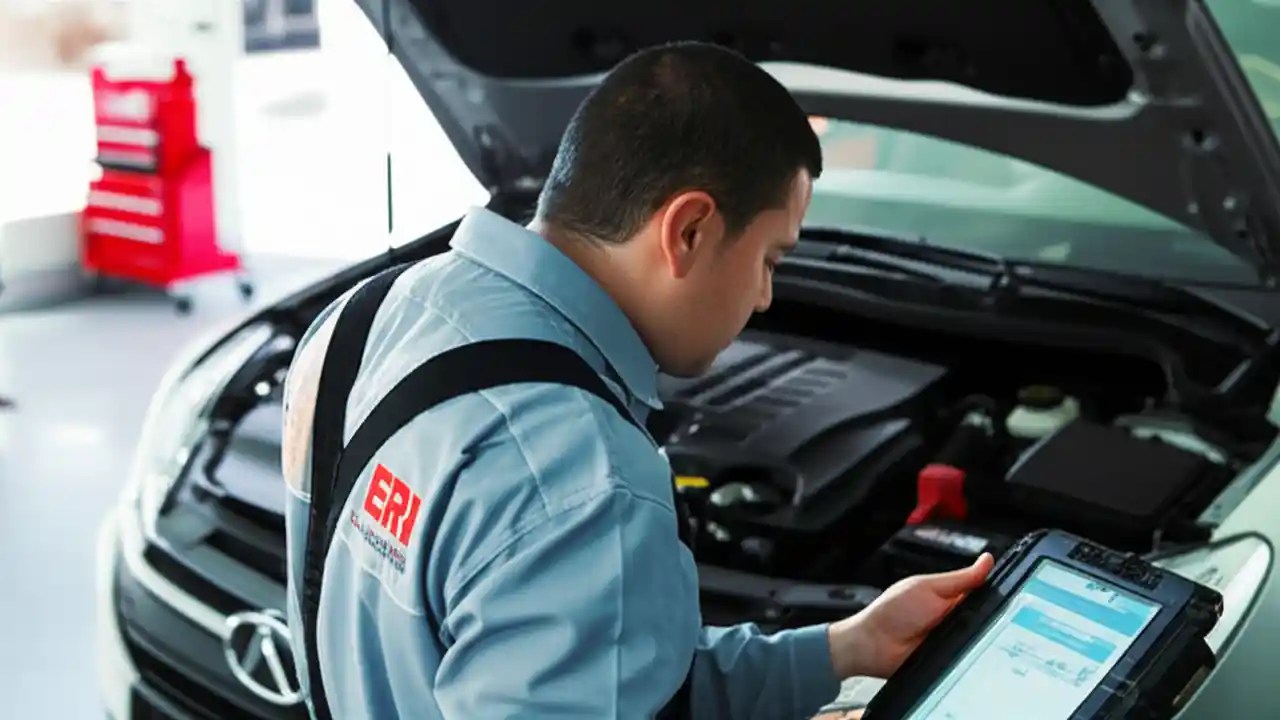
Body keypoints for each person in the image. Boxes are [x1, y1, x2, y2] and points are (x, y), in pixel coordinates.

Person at [280, 40, 994, 719]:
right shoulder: (584, 478)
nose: (766, 298)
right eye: (771, 260)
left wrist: (848, 649)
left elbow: (614, 676)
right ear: (689, 231)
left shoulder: (359, 318)